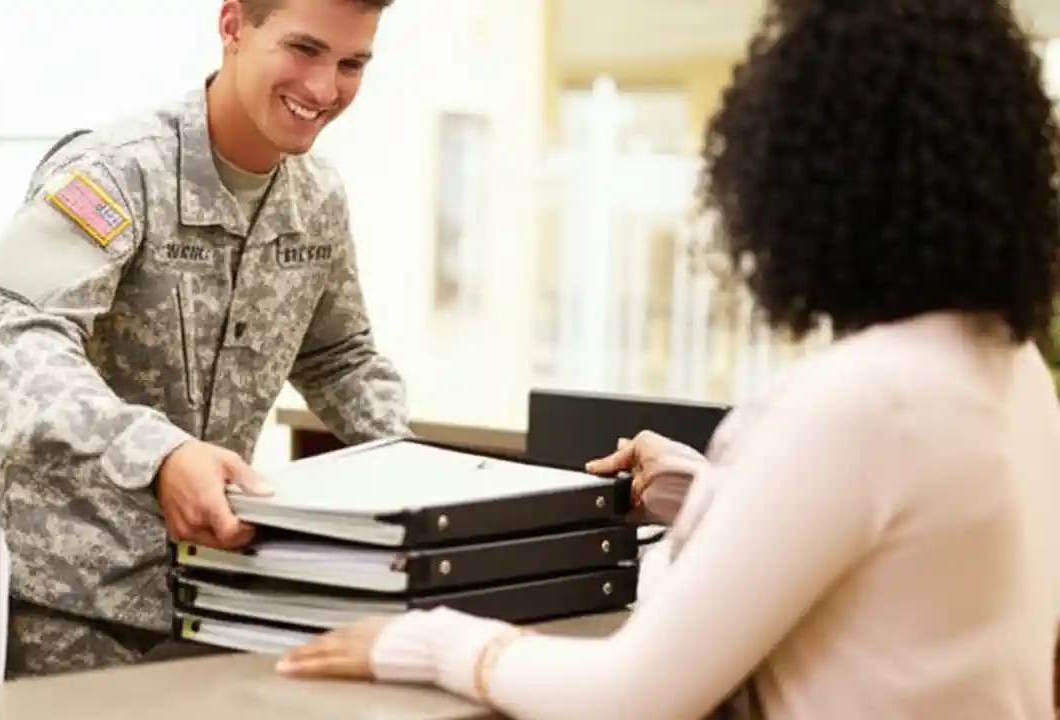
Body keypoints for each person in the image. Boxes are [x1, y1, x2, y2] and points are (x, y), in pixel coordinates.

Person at [276, 1, 1060, 717]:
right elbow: (884, 570)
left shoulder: (862, 396)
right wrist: (716, 494)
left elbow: (631, 696)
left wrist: (428, 643)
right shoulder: (1012, 367)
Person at [0, 0, 408, 677]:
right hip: (74, 609)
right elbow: (12, 338)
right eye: (304, 50)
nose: (324, 89)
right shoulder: (117, 173)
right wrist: (157, 454)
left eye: (351, 64)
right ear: (233, 27)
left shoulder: (318, 198)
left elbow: (339, 358)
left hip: (226, 597)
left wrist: (423, 470)